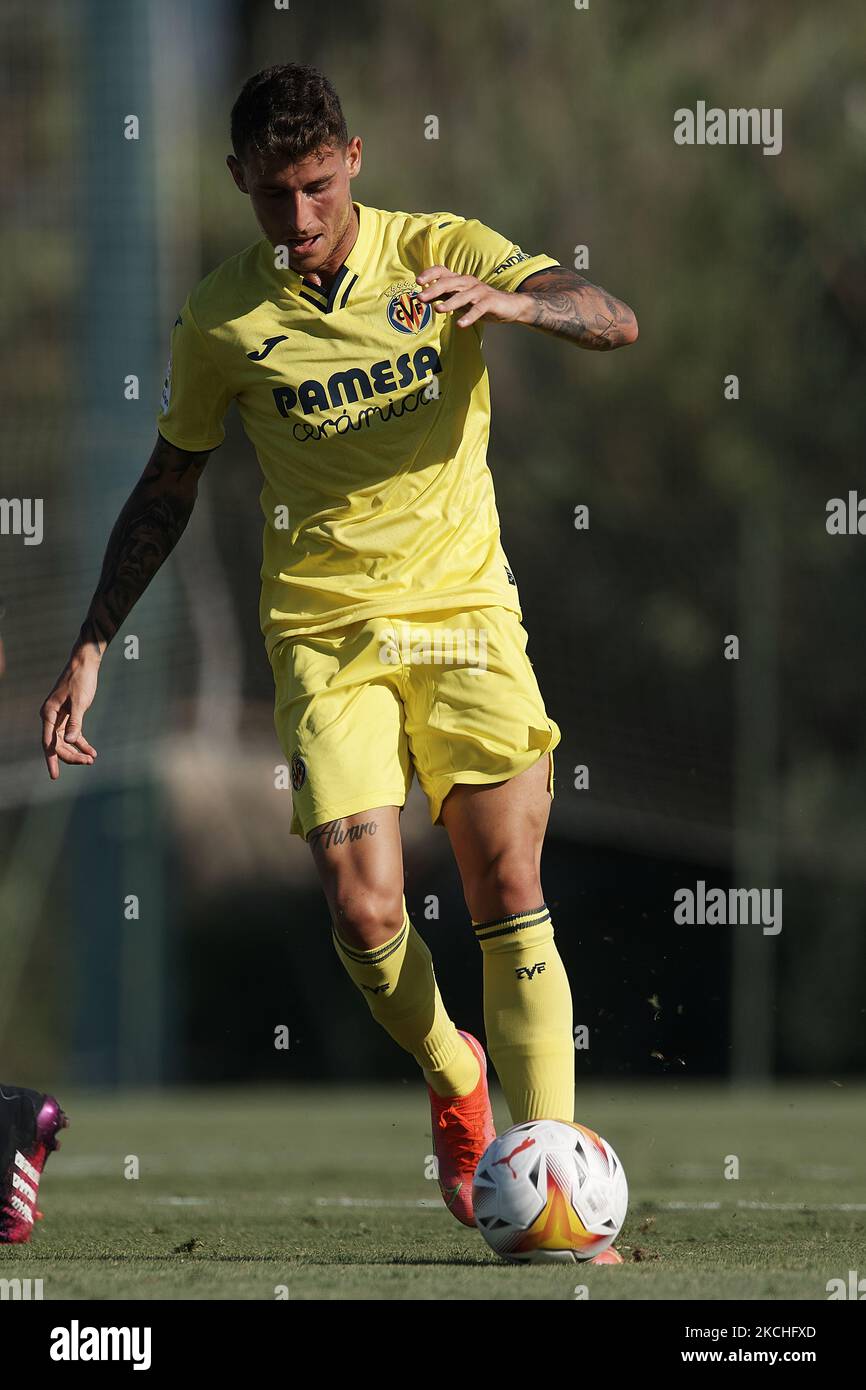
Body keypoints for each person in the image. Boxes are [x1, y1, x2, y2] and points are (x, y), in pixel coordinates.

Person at [40, 64, 637, 1227]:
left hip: (467, 614)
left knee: (507, 883)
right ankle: (459, 1077)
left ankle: (559, 1198)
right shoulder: (223, 319)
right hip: (324, 633)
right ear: (237, 186)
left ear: (354, 159)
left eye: (318, 186)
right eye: (274, 197)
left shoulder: (437, 251)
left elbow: (611, 315)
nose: (301, 219)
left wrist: (519, 304)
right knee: (366, 912)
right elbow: (169, 483)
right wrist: (92, 643)